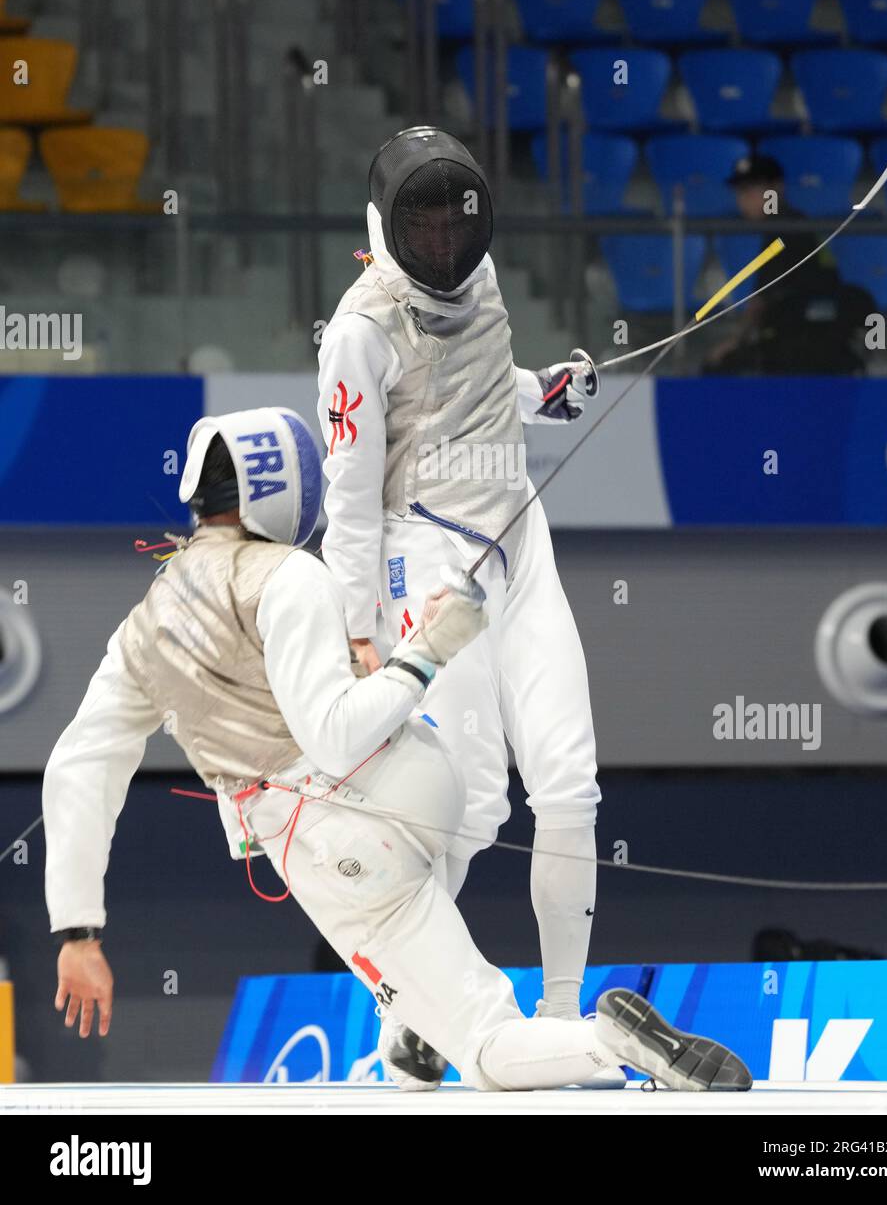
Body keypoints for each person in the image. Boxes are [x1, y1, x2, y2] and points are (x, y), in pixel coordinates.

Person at [42, 405, 752, 1093]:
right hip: (422, 776)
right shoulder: (293, 574)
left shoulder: (146, 627)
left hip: (339, 839)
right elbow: (349, 722)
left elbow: (82, 767)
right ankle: (415, 1023)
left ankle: (603, 1042)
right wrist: (428, 649)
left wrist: (79, 930)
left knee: (486, 1048)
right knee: (423, 961)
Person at [316, 126, 609, 1083]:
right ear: (388, 225)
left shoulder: (477, 283)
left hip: (521, 541)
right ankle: (414, 1018)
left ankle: (563, 1021)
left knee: (568, 781)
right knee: (465, 805)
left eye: (456, 219)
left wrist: (545, 394)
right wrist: (359, 633)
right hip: (429, 559)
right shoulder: (357, 334)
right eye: (425, 222)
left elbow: (475, 387)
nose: (443, 237)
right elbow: (350, 498)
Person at [702, 154, 873, 375]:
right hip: (809, 338)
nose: (743, 199)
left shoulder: (784, 228)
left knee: (717, 367)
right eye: (740, 192)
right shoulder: (793, 221)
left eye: (752, 190)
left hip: (804, 344)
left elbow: (759, 302)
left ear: (776, 188)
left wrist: (733, 343)